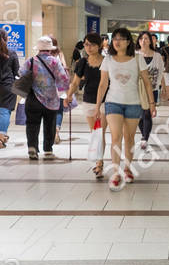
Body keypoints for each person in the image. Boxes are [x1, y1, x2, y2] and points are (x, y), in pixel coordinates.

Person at [95, 27, 145, 190]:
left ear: (128, 42)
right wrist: (98, 106)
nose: (116, 41)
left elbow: (147, 81)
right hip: (112, 102)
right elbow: (103, 84)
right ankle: (116, 173)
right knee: (116, 137)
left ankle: (128, 168)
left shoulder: (138, 58)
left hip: (133, 103)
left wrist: (151, 104)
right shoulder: (108, 59)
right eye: (114, 38)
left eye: (121, 39)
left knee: (129, 138)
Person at [19, 36, 69, 160]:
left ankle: (32, 148)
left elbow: (21, 73)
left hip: (33, 98)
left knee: (32, 124)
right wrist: (63, 90)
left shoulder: (31, 61)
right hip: (51, 100)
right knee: (50, 124)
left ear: (39, 49)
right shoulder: (55, 61)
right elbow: (64, 79)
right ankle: (48, 150)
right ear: (50, 49)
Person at [67, 33, 106, 179]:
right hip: (89, 100)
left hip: (104, 101)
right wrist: (69, 95)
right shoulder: (82, 62)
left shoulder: (106, 61)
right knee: (94, 132)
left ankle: (99, 163)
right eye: (86, 44)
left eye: (92, 44)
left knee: (100, 132)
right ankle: (99, 160)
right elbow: (76, 82)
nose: (88, 47)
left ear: (99, 46)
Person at [134, 30, 163, 151]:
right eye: (141, 39)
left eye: (146, 39)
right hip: (137, 89)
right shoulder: (135, 54)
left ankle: (145, 138)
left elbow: (161, 72)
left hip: (152, 89)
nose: (143, 41)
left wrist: (163, 88)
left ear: (150, 41)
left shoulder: (157, 56)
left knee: (147, 114)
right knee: (139, 115)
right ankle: (144, 135)